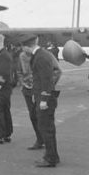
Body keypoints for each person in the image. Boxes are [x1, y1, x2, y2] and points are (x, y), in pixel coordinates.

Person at [22, 35, 62, 167]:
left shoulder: (41, 57)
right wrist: (35, 94)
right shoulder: (41, 55)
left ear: (27, 46)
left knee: (46, 129)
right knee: (46, 128)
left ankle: (50, 158)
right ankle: (53, 156)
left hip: (45, 99)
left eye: (23, 47)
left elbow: (47, 79)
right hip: (40, 96)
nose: (23, 50)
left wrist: (44, 99)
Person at [17, 42, 44, 150]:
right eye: (23, 46)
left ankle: (46, 140)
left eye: (25, 46)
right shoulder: (21, 56)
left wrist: (45, 88)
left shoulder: (41, 55)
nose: (24, 48)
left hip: (39, 90)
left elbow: (56, 72)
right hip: (27, 90)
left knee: (42, 117)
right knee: (33, 116)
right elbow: (19, 71)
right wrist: (23, 83)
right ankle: (39, 140)